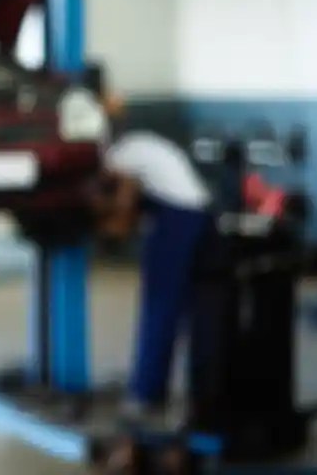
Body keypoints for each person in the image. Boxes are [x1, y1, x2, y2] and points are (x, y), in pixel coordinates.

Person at [89, 125, 215, 420]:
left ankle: (145, 394)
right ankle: (200, 396)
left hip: (177, 218)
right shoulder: (140, 145)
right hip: (201, 215)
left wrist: (107, 225)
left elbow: (123, 207)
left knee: (158, 307)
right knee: (198, 312)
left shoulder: (120, 158)